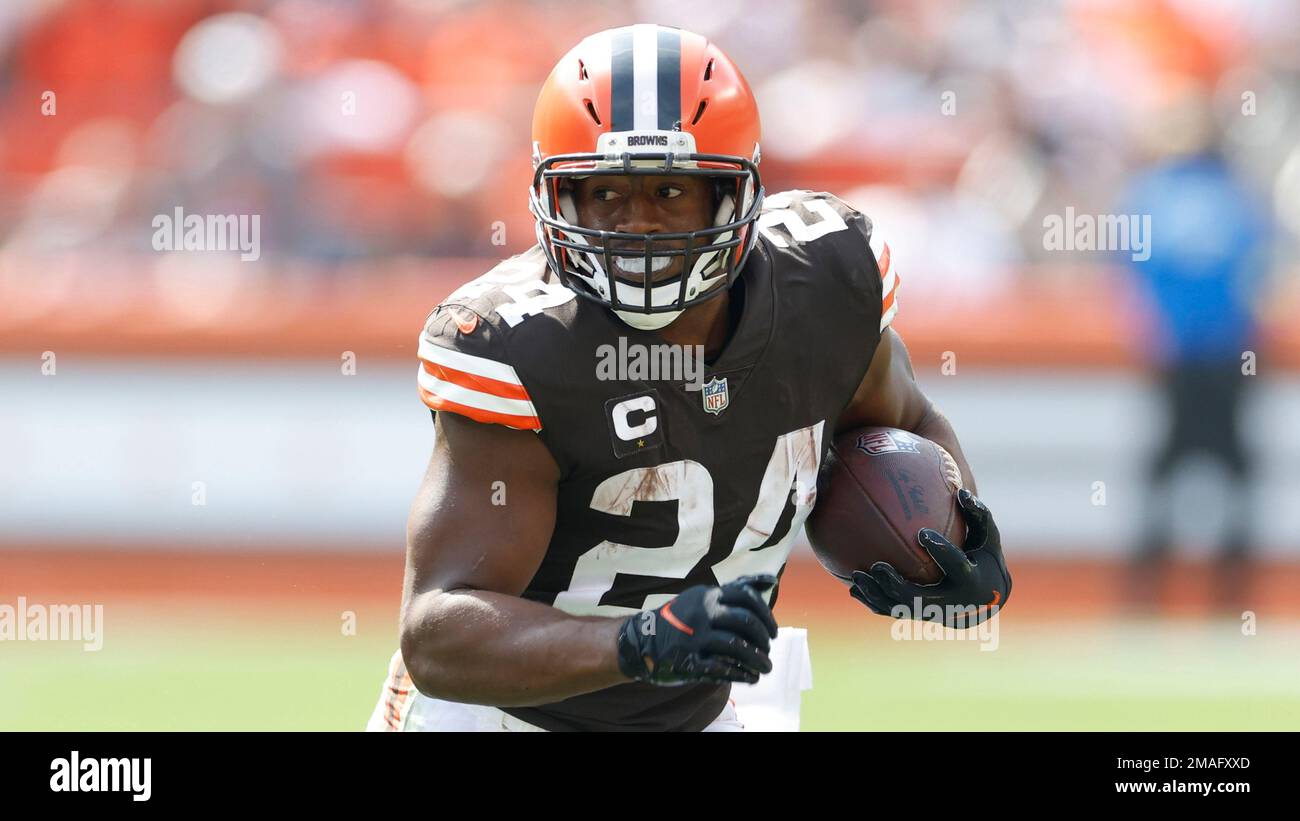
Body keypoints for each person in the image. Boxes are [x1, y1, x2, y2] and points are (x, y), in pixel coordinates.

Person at [367, 24, 1010, 732]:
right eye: (604, 193)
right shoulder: (522, 344)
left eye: (670, 191)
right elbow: (438, 630)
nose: (638, 224)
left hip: (699, 712)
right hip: (502, 717)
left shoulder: (828, 283)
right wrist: (640, 642)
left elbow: (907, 422)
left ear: (732, 194)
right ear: (557, 196)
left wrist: (958, 538)